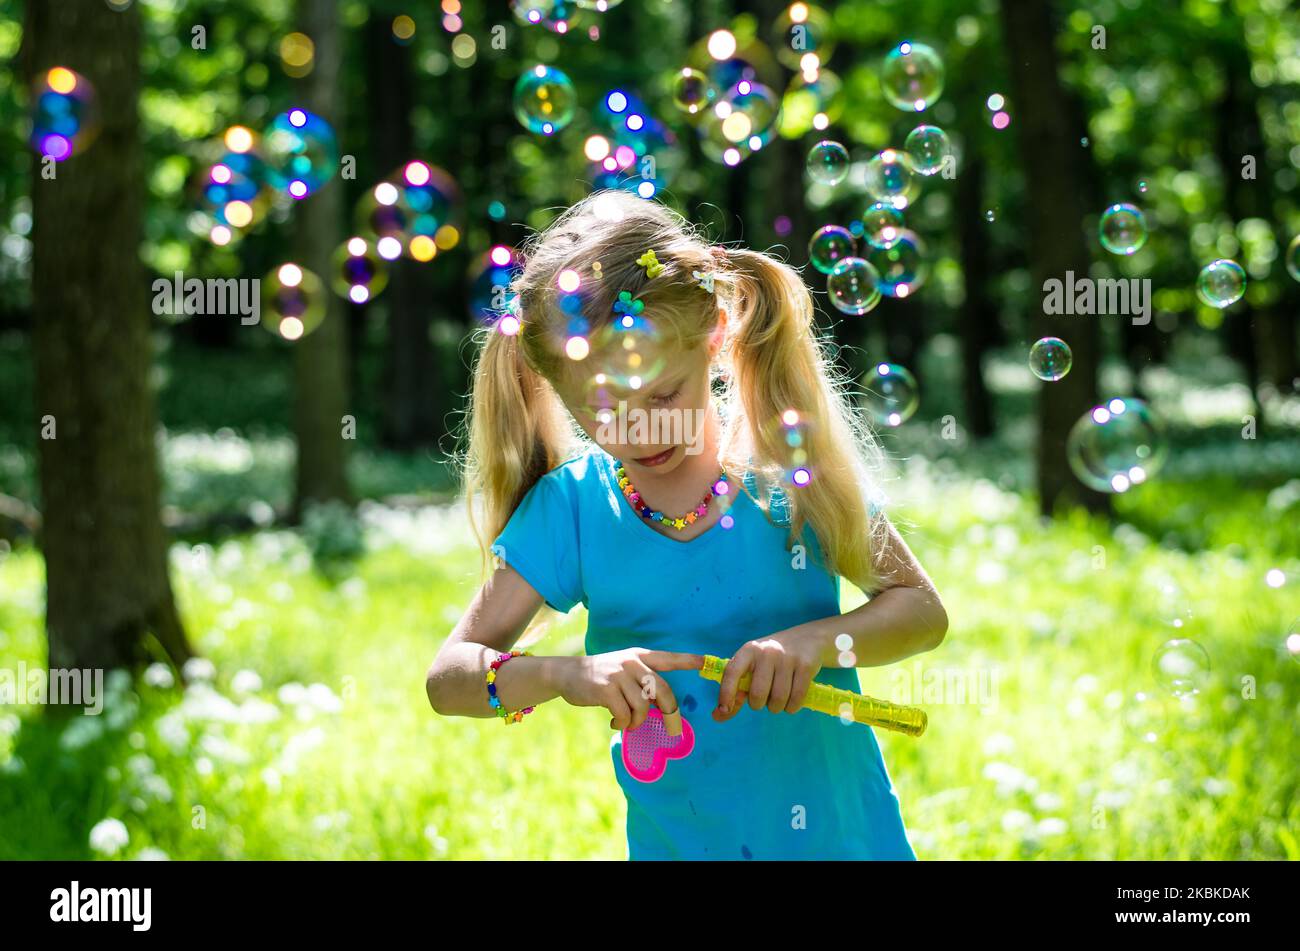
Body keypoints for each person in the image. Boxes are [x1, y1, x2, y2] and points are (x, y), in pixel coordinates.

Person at [426, 189, 948, 860]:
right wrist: (562, 675)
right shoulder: (573, 511)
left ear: (715, 335)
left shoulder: (790, 476)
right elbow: (449, 677)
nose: (643, 427)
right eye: (607, 411)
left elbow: (922, 611)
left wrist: (818, 642)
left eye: (663, 394)